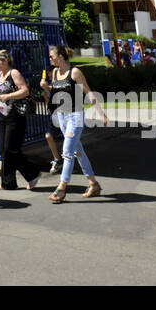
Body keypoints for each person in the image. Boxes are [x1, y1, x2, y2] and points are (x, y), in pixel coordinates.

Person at [46, 45, 108, 202]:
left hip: (75, 116)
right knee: (77, 151)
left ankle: (61, 188)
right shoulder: (54, 72)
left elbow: (88, 92)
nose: (50, 58)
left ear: (61, 57)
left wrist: (101, 113)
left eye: (52, 56)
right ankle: (93, 184)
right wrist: (46, 88)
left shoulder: (74, 72)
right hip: (62, 117)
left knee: (67, 151)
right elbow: (54, 94)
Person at [0, 50, 41, 190]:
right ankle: (8, 182)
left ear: (6, 60)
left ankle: (32, 173)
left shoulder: (13, 73)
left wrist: (8, 97)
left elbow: (25, 91)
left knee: (10, 149)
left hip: (15, 115)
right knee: (4, 149)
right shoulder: (0, 75)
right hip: (2, 115)